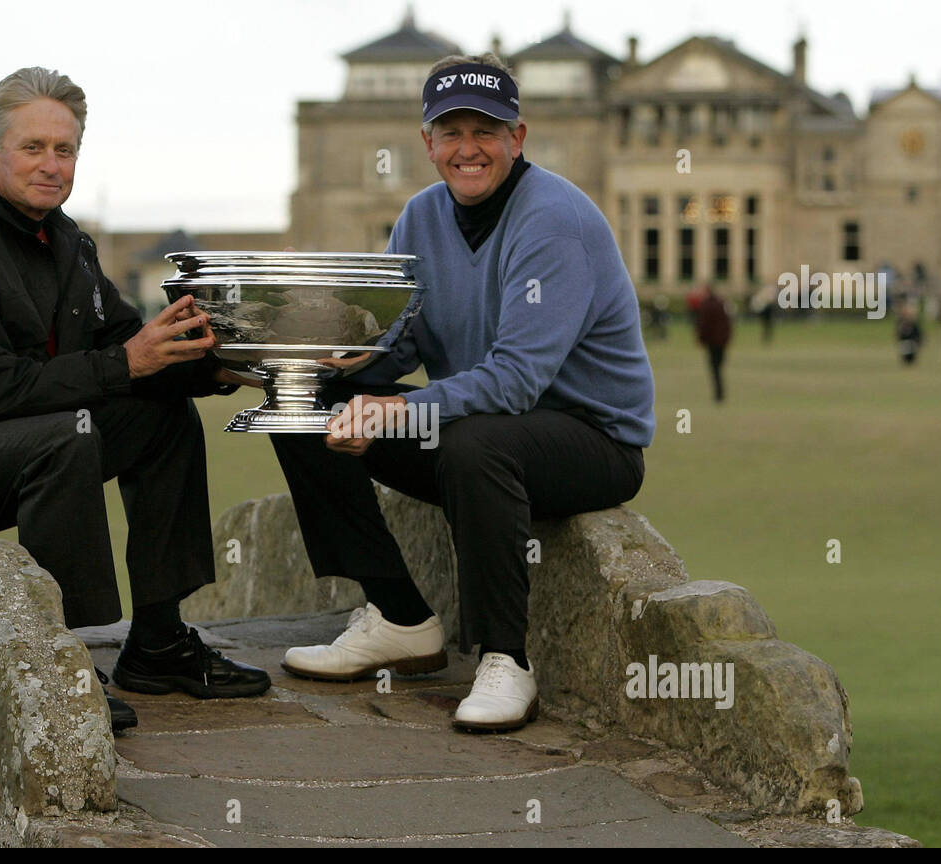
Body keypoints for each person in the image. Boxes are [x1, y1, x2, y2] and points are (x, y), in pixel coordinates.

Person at [0, 67, 270, 733]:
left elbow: (132, 346)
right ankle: (60, 654)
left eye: (64, 150)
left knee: (161, 417)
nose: (50, 164)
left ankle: (158, 641)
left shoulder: (69, 243)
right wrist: (124, 363)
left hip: (20, 437)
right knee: (66, 432)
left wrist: (221, 366)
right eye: (33, 147)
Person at [268, 54, 655, 732]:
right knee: (301, 405)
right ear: (428, 143)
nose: (467, 149)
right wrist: (341, 361)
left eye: (486, 130)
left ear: (518, 137)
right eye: (451, 132)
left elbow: (516, 380)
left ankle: (506, 660)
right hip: (484, 422)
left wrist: (399, 410)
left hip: (590, 437)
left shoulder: (555, 219)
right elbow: (410, 341)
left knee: (477, 444)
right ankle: (399, 619)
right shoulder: (420, 216)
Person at [693, 285, 731, 401]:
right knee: (718, 367)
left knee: (714, 368)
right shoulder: (721, 304)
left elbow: (704, 325)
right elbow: (727, 323)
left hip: (712, 341)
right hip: (721, 341)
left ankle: (718, 393)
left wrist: (700, 339)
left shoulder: (707, 306)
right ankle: (719, 392)